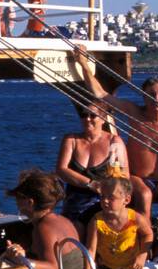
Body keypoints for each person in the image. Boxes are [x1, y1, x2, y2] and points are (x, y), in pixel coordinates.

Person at [75, 49, 158, 253]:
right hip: (135, 177)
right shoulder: (134, 112)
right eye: (151, 94)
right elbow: (101, 94)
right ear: (144, 96)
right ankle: (142, 249)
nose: (156, 98)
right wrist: (84, 63)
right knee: (144, 195)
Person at [55, 99, 129, 233]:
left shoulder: (114, 142)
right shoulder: (71, 140)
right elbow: (61, 169)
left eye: (93, 115)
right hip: (74, 201)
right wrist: (90, 183)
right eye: (84, 115)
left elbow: (124, 177)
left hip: (102, 202)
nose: (87, 119)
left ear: (103, 119)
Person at [86, 177, 153, 269]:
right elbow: (91, 250)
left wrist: (142, 256)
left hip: (132, 266)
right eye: (102, 197)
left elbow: (148, 234)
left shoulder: (135, 218)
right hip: (109, 267)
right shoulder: (96, 221)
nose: (105, 201)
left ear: (126, 200)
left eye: (111, 198)